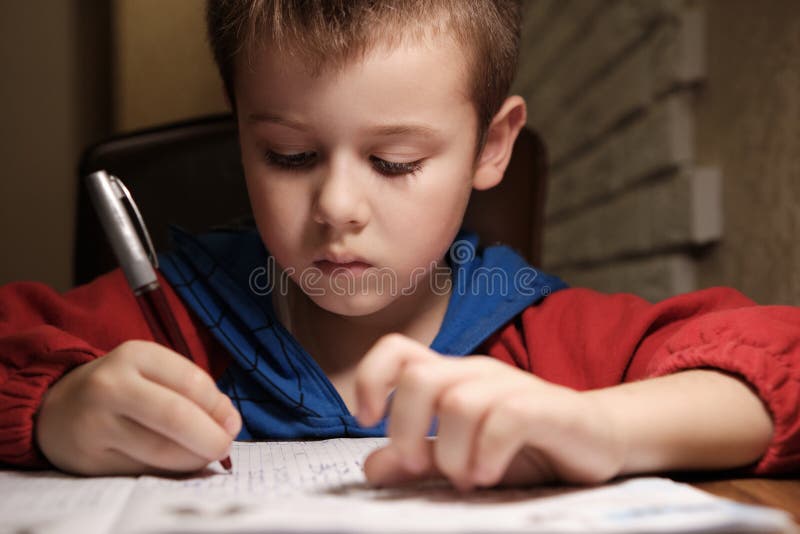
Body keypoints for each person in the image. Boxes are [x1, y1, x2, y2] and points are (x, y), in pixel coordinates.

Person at [1, 0, 798, 492]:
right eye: (289, 155)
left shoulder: (535, 332)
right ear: (240, 127)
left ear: (491, 146)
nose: (337, 208)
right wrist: (54, 413)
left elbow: (775, 368)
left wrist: (606, 428)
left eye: (394, 162)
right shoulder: (175, 311)